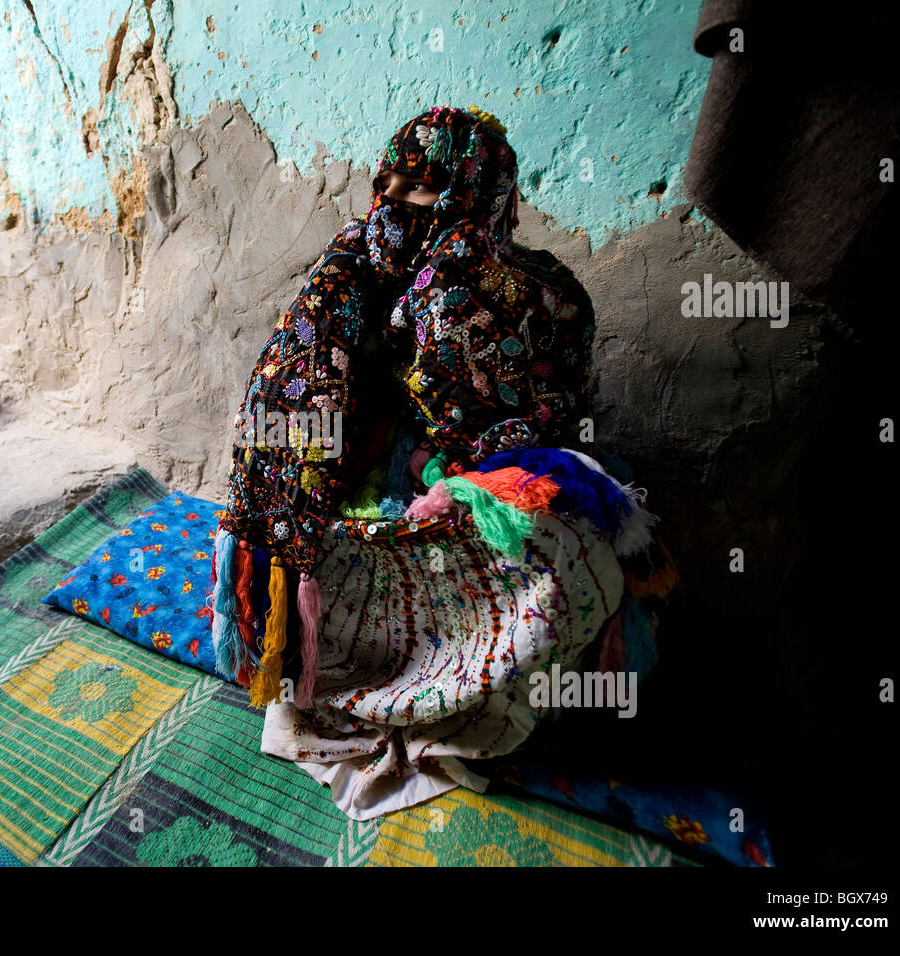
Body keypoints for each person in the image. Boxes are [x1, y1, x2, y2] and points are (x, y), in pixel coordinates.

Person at [212, 105, 676, 819]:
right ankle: (378, 679)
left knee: (569, 559)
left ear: (482, 198)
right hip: (375, 501)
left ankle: (460, 689)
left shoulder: (549, 294)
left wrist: (455, 302)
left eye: (424, 193)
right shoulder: (347, 277)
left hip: (491, 499)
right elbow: (295, 426)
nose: (398, 209)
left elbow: (556, 424)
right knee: (292, 557)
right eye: (389, 187)